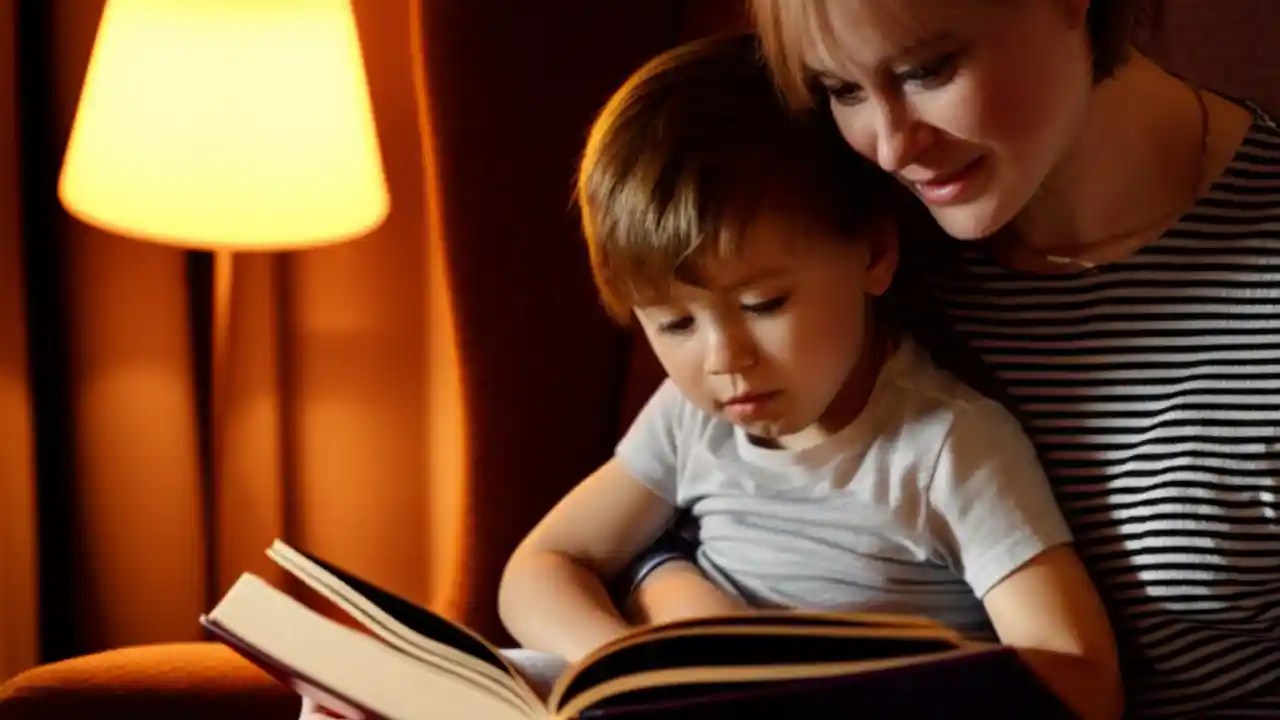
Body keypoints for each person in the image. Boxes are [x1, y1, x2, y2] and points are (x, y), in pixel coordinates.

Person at [627, 1, 1280, 716]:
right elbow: (697, 504)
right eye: (841, 90)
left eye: (926, 69)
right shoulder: (845, 238)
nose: (888, 146)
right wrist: (673, 587)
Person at [494, 33, 1120, 719]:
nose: (723, 358)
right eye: (674, 325)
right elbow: (540, 568)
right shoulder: (689, 418)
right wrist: (632, 663)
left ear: (875, 253)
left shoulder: (947, 446)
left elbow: (1082, 682)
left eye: (764, 305)